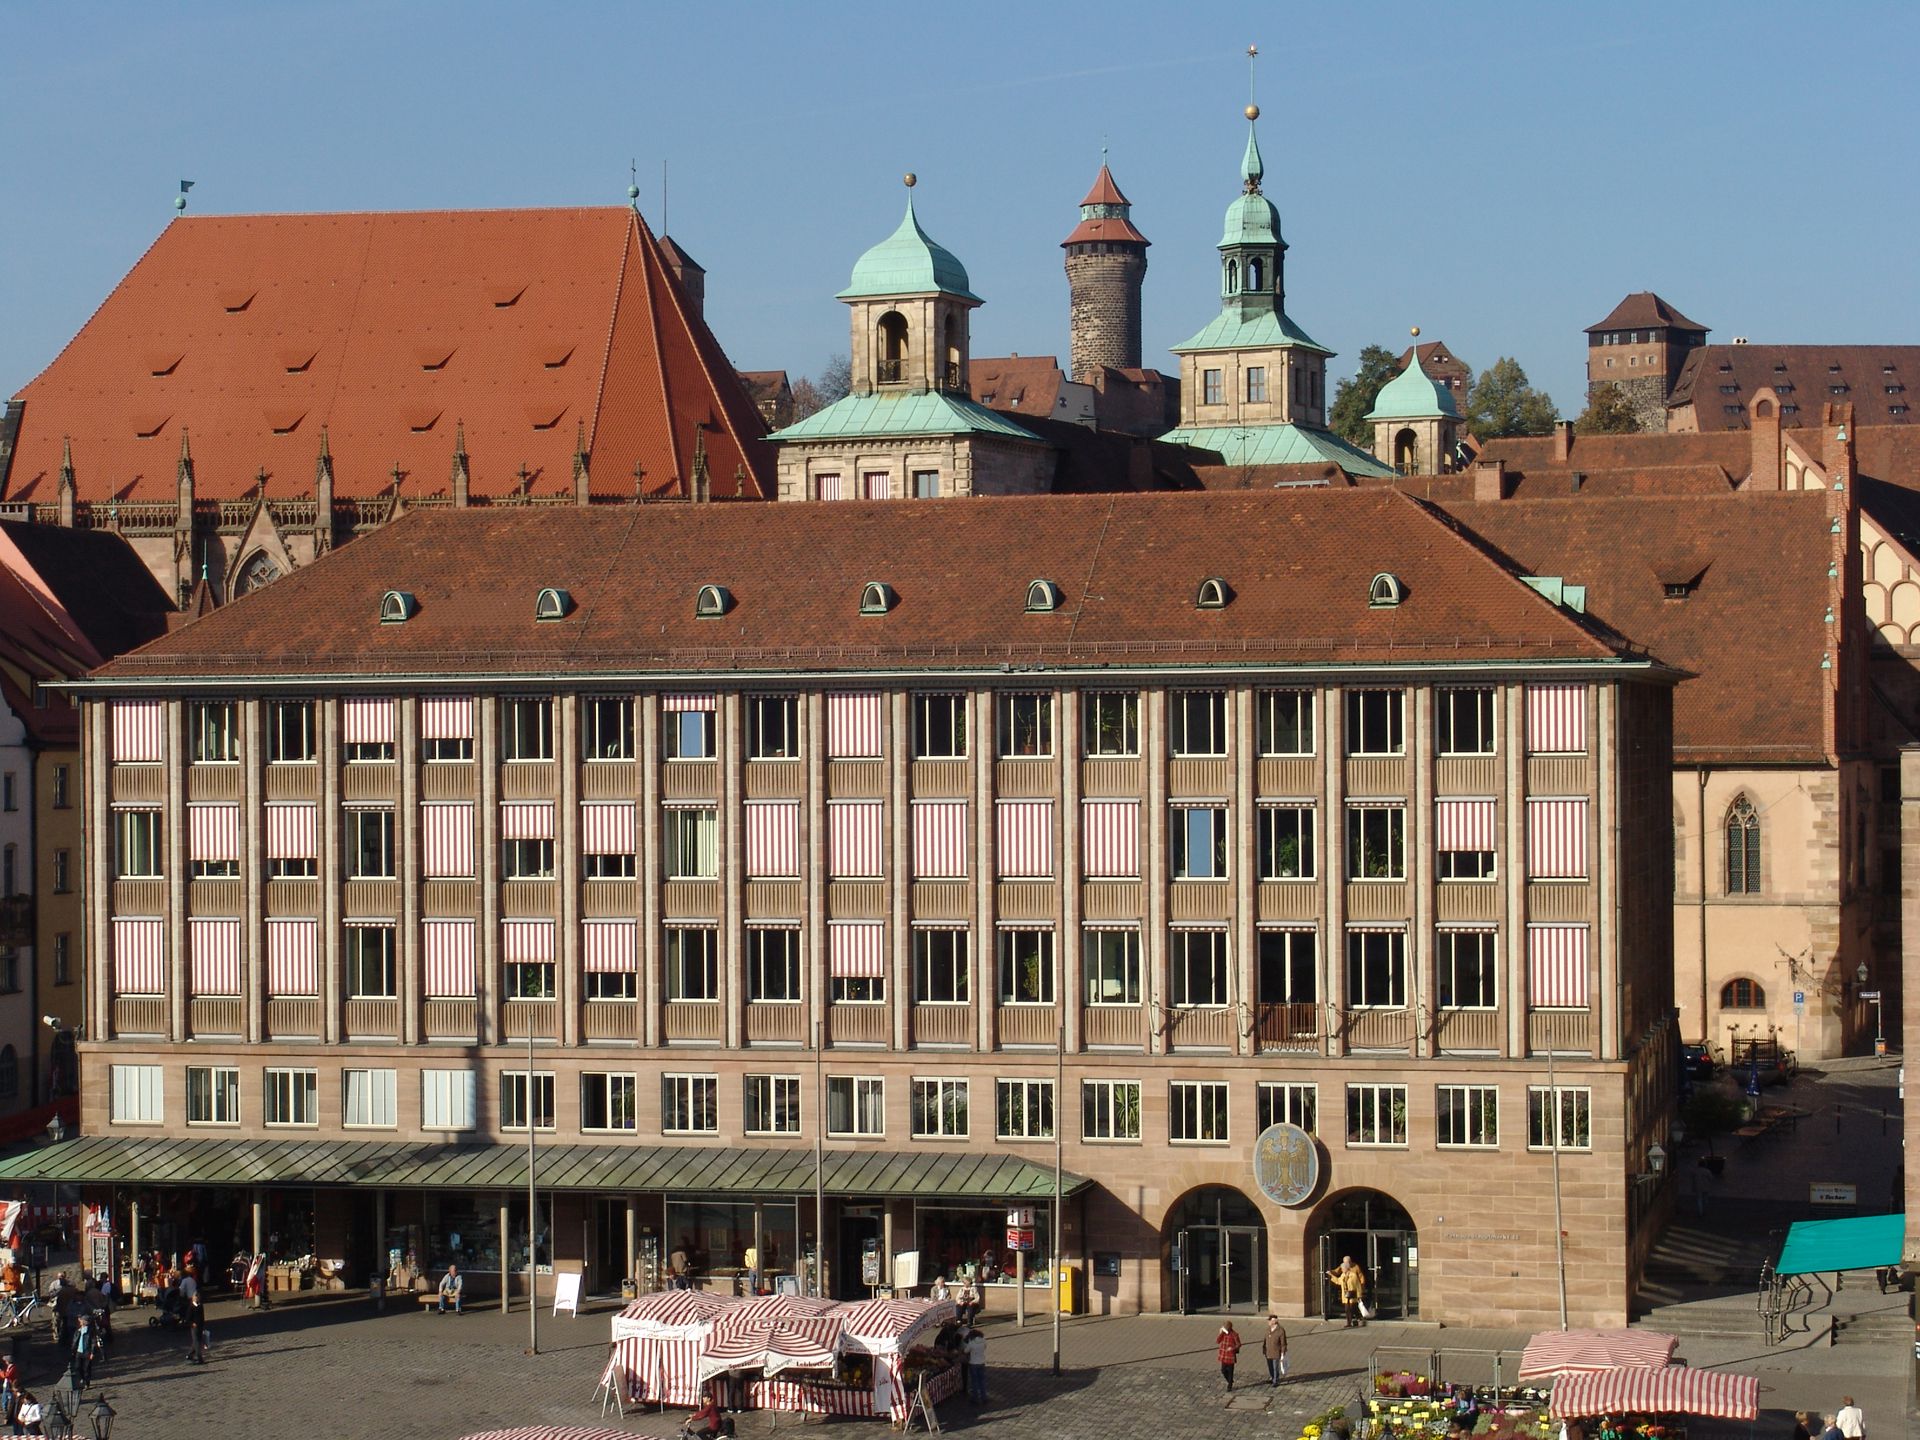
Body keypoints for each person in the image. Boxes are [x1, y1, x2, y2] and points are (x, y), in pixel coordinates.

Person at [1327, 1255, 1367, 1327]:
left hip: (1352, 1295)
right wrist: (1331, 1274)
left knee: (1352, 1309)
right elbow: (1338, 1281)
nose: (1341, 1270)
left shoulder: (1354, 1274)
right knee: (1347, 1309)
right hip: (1345, 1295)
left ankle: (1357, 1319)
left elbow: (1358, 1285)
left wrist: (1359, 1295)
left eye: (1343, 1268)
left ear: (1347, 1267)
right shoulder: (1342, 1275)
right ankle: (1349, 1322)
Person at [180, 1262, 206, 1364]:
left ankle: (190, 1354)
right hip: (195, 1324)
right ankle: (199, 1357)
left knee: (197, 1340)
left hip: (189, 1299)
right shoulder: (193, 1281)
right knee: (197, 1340)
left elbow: (181, 1291)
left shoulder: (185, 1281)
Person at [1216, 1320, 1242, 1390]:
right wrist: (1221, 1333)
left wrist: (1232, 1348)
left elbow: (1239, 1344)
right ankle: (1229, 1380)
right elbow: (1218, 1341)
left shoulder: (1234, 1334)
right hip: (1224, 1355)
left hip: (1230, 1356)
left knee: (1230, 1371)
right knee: (1223, 1370)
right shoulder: (1223, 1333)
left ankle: (1230, 1385)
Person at [1261, 1315, 1288, 1386]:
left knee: (1275, 1367)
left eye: (1270, 1320)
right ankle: (1272, 1377)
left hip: (1276, 1352)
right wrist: (1264, 1349)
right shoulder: (1268, 1329)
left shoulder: (1280, 1331)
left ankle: (1276, 1380)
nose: (1268, 1322)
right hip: (1268, 1352)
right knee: (1270, 1366)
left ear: (1274, 1321)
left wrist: (1282, 1354)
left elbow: (1283, 1343)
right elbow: (1265, 1340)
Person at [964, 1327, 987, 1404]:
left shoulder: (971, 1343)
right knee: (982, 1381)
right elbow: (985, 1347)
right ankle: (984, 1397)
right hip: (982, 1362)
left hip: (973, 1363)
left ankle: (975, 1398)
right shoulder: (983, 1341)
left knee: (974, 1381)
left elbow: (966, 1351)